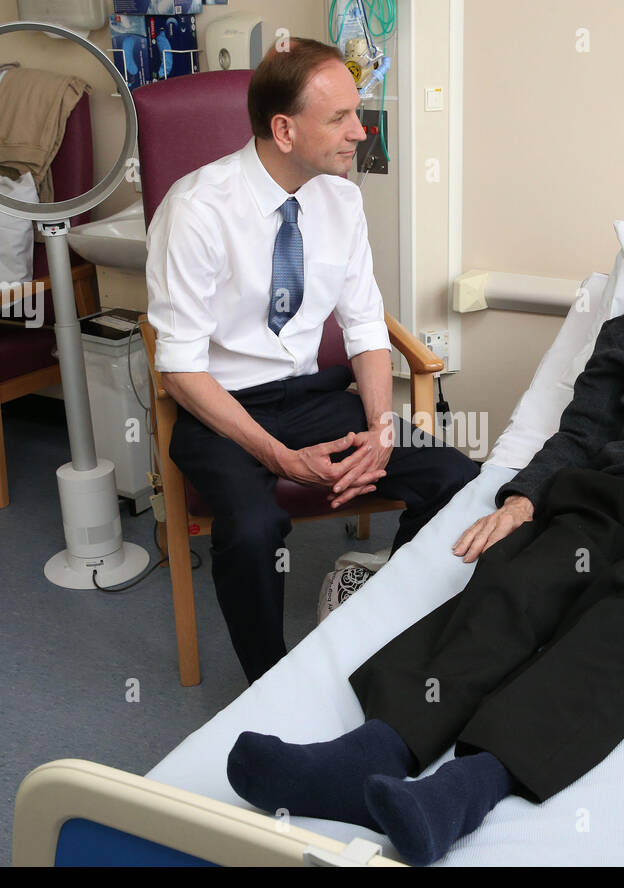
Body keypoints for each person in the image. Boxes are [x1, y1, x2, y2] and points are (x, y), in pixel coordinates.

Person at [226, 192, 624, 865]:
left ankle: (463, 791)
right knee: (518, 580)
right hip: (608, 494)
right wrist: (522, 500)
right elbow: (580, 433)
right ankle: (370, 755)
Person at [146, 39, 479, 683]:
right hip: (223, 410)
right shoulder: (195, 211)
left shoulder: (341, 199)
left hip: (312, 396)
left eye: (359, 113)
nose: (361, 131)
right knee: (250, 529)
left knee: (457, 481)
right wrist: (275, 456)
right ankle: (268, 686)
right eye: (341, 119)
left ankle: (373, 621)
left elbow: (365, 329)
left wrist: (382, 429)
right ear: (284, 129)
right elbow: (179, 369)